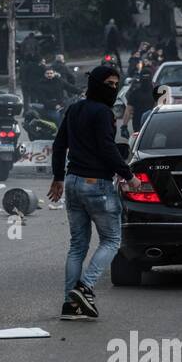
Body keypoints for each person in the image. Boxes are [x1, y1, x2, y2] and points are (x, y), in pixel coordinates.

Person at [48, 66, 133, 320]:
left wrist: (59, 177)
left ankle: (70, 305)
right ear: (96, 83)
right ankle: (84, 287)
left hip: (73, 183)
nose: (112, 87)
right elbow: (107, 148)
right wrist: (128, 174)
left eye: (115, 83)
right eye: (108, 82)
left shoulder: (74, 109)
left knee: (77, 246)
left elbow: (59, 145)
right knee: (112, 240)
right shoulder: (103, 113)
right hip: (96, 184)